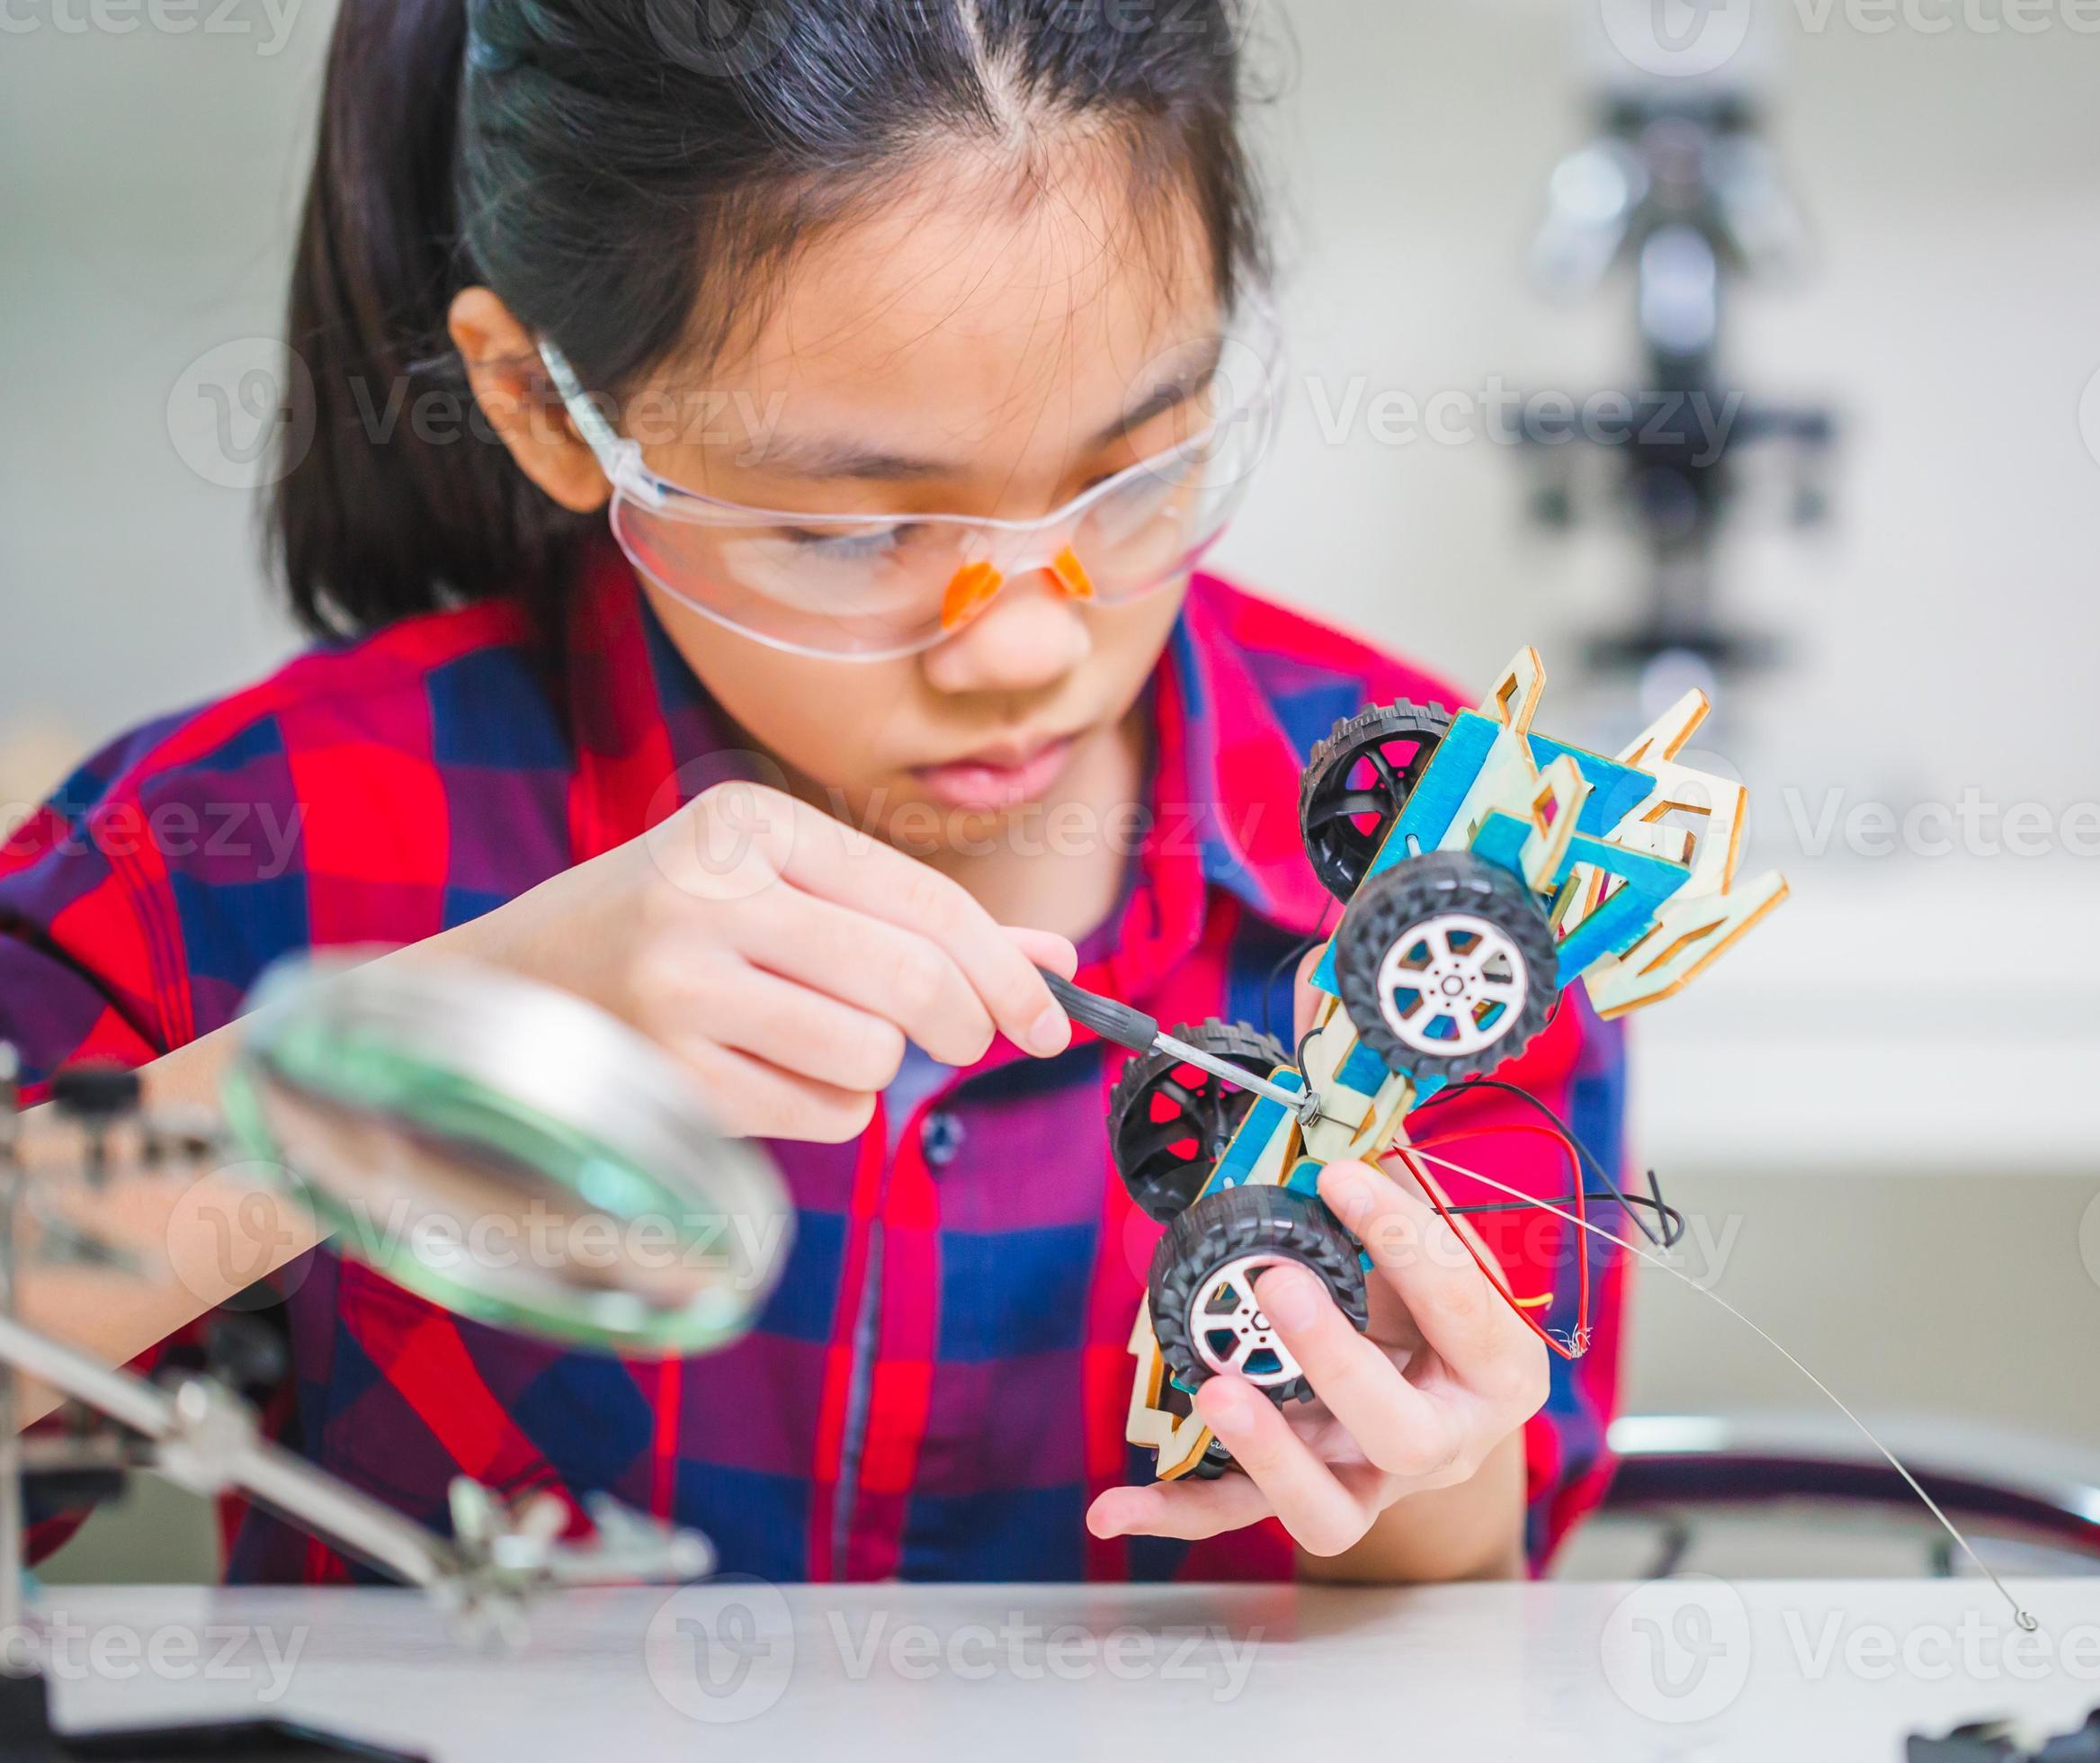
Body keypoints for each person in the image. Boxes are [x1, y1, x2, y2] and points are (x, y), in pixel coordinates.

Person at [0, 0, 1625, 1585]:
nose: (1025, 648)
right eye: (858, 534)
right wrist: (419, 1056)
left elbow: (1480, 1574)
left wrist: (1408, 1460)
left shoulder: (1455, 863)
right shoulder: (246, 848)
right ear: (546, 408)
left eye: (1135, 473)